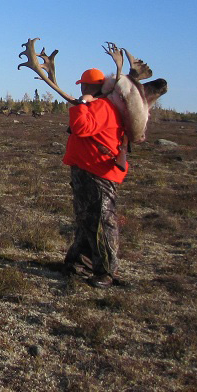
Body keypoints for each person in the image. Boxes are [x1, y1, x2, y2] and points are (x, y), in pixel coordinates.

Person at [62, 67, 128, 289]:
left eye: (82, 85)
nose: (80, 88)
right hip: (87, 170)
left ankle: (106, 272)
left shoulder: (101, 106)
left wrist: (82, 103)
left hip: (98, 172)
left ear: (87, 86)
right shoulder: (99, 106)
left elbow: (80, 127)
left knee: (101, 221)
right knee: (86, 219)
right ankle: (79, 262)